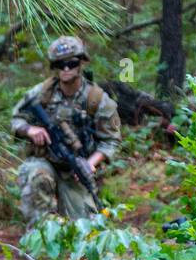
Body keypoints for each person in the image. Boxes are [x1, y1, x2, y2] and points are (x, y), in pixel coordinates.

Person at [10, 36, 121, 224]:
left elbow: (111, 140)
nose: (66, 69)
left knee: (84, 228)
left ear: (81, 63)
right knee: (36, 176)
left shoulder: (97, 99)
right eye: (61, 65)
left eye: (71, 63)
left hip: (76, 169)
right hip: (46, 161)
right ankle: (41, 235)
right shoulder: (42, 93)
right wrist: (30, 130)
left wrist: (90, 164)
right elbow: (16, 119)